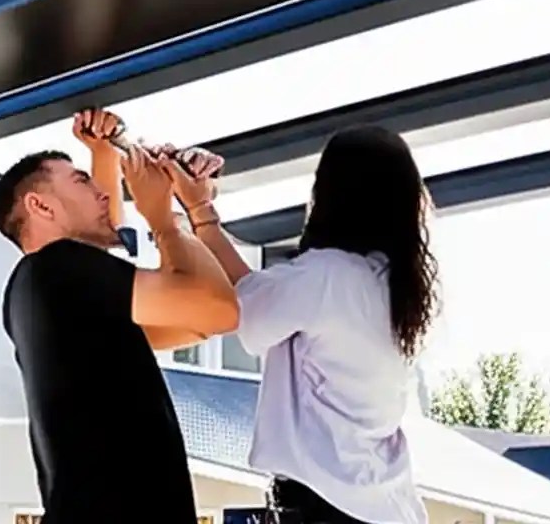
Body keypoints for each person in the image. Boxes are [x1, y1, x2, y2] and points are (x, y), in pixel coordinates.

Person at [152, 125, 440, 524]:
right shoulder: (388, 284)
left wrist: (166, 215)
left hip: (329, 506)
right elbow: (254, 293)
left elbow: (235, 306)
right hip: (382, 504)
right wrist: (201, 213)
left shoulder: (328, 275)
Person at [0, 108, 238, 523]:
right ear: (39, 205)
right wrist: (164, 217)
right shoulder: (59, 270)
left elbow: (201, 319)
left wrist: (104, 154)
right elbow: (217, 310)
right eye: (82, 181)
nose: (107, 194)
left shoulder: (45, 291)